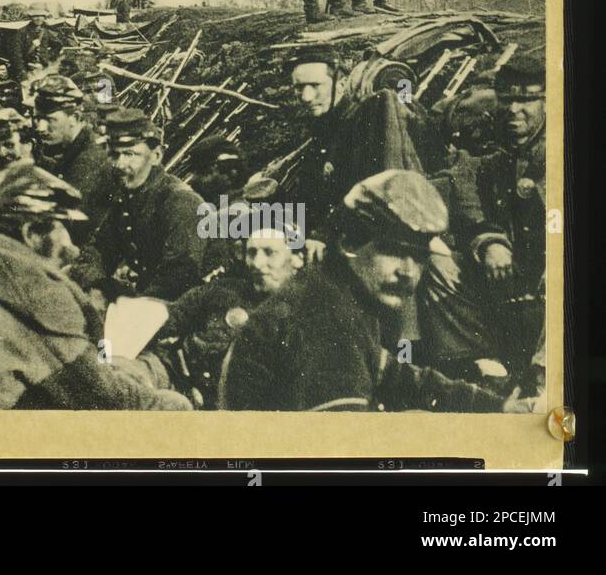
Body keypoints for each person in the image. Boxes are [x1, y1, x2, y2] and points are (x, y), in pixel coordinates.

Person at [219, 170, 528, 413]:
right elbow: (345, 449)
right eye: (392, 251)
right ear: (350, 244)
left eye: (419, 257)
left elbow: (392, 373)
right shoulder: (324, 319)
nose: (408, 271)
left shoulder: (335, 295)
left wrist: (495, 406)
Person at [0, 162, 191, 410]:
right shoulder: (34, 294)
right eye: (61, 227)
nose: (70, 247)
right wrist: (153, 368)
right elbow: (104, 398)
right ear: (32, 233)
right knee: (172, 406)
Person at [423, 55, 547, 378]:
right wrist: (489, 240)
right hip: (510, 281)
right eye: (507, 100)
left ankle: (539, 375)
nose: (514, 110)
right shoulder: (500, 146)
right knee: (437, 263)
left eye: (528, 100)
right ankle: (482, 365)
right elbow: (462, 179)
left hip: (548, 291)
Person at [280, 44, 425, 259]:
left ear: (340, 83)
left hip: (367, 246)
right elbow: (306, 196)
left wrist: (322, 235)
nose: (306, 97)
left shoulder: (366, 120)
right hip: (325, 241)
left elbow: (373, 192)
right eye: (299, 88)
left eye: (315, 85)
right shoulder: (321, 127)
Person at [152, 212, 305, 408]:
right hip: (176, 384)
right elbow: (166, 320)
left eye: (269, 252)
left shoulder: (308, 314)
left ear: (297, 258)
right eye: (251, 253)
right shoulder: (222, 291)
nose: (257, 264)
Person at [72, 108, 206, 304]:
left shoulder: (179, 201)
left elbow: (178, 277)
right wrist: (97, 285)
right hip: (148, 299)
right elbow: (99, 249)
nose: (119, 164)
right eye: (114, 155)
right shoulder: (128, 197)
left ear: (156, 156)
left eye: (130, 154)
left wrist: (128, 306)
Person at [32, 74, 114, 227]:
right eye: (37, 119)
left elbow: (61, 220)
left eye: (49, 120)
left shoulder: (89, 160)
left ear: (75, 117)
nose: (40, 128)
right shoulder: (79, 145)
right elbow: (60, 170)